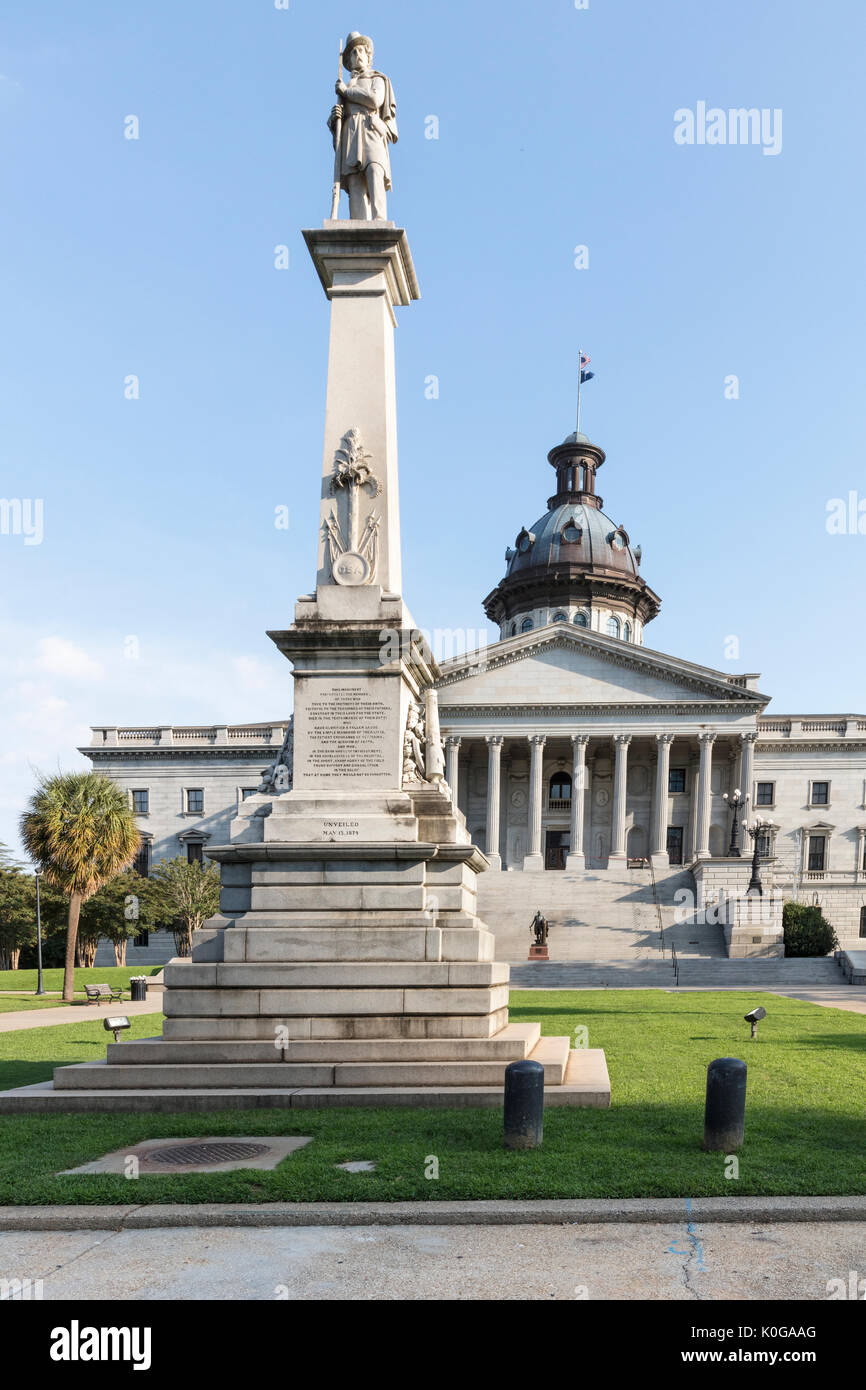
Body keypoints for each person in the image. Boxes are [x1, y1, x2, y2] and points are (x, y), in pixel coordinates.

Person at [328, 31, 398, 221]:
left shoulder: (378, 79)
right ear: (349, 61)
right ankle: (358, 226)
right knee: (355, 183)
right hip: (351, 133)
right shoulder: (346, 86)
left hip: (371, 129)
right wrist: (334, 119)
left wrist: (347, 91)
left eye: (361, 51)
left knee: (375, 170)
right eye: (353, 52)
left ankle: (379, 221)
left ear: (368, 56)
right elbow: (339, 123)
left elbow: (375, 100)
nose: (357, 55)